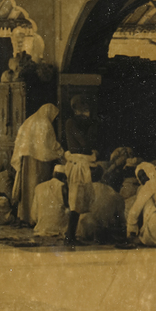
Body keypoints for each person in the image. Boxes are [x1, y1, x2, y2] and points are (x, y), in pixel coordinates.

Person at [10, 103, 64, 224]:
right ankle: (37, 218)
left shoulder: (29, 121)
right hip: (40, 161)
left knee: (27, 190)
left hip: (26, 161)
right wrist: (62, 152)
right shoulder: (45, 123)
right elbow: (50, 144)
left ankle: (27, 217)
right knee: (39, 188)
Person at [63, 96, 101, 247]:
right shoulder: (71, 123)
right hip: (78, 164)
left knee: (78, 201)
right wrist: (92, 128)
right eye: (83, 110)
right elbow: (85, 143)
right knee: (75, 201)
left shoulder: (73, 122)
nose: (86, 113)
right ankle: (70, 236)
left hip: (81, 163)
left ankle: (70, 235)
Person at [77, 165, 125, 243]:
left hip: (84, 230)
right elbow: (120, 219)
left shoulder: (83, 190)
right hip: (103, 231)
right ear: (102, 176)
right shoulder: (112, 192)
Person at [31, 166, 69, 238]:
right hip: (61, 228)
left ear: (53, 174)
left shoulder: (39, 187)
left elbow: (34, 215)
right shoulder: (64, 187)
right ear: (64, 177)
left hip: (41, 228)